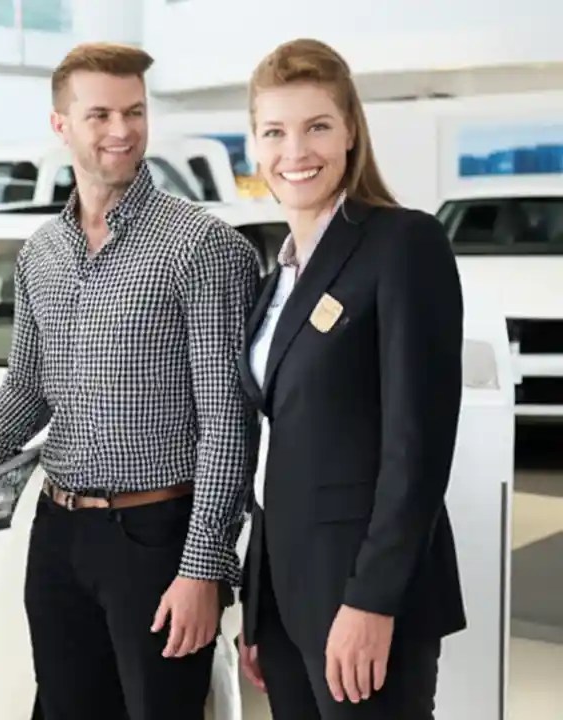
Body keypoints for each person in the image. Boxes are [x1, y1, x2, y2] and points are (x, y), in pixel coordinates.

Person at [0, 43, 260, 719]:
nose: (122, 130)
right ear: (61, 125)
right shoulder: (40, 253)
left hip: (157, 536)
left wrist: (203, 567)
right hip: (58, 534)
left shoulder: (202, 247)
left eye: (134, 112)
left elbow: (228, 424)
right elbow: (26, 393)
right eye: (101, 114)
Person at [235, 38, 466, 719]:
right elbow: (279, 446)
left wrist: (371, 600)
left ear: (351, 133)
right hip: (285, 599)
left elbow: (417, 447)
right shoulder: (277, 277)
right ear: (254, 144)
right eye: (274, 132)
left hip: (361, 599)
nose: (294, 151)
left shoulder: (402, 243)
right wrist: (257, 604)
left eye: (316, 127)